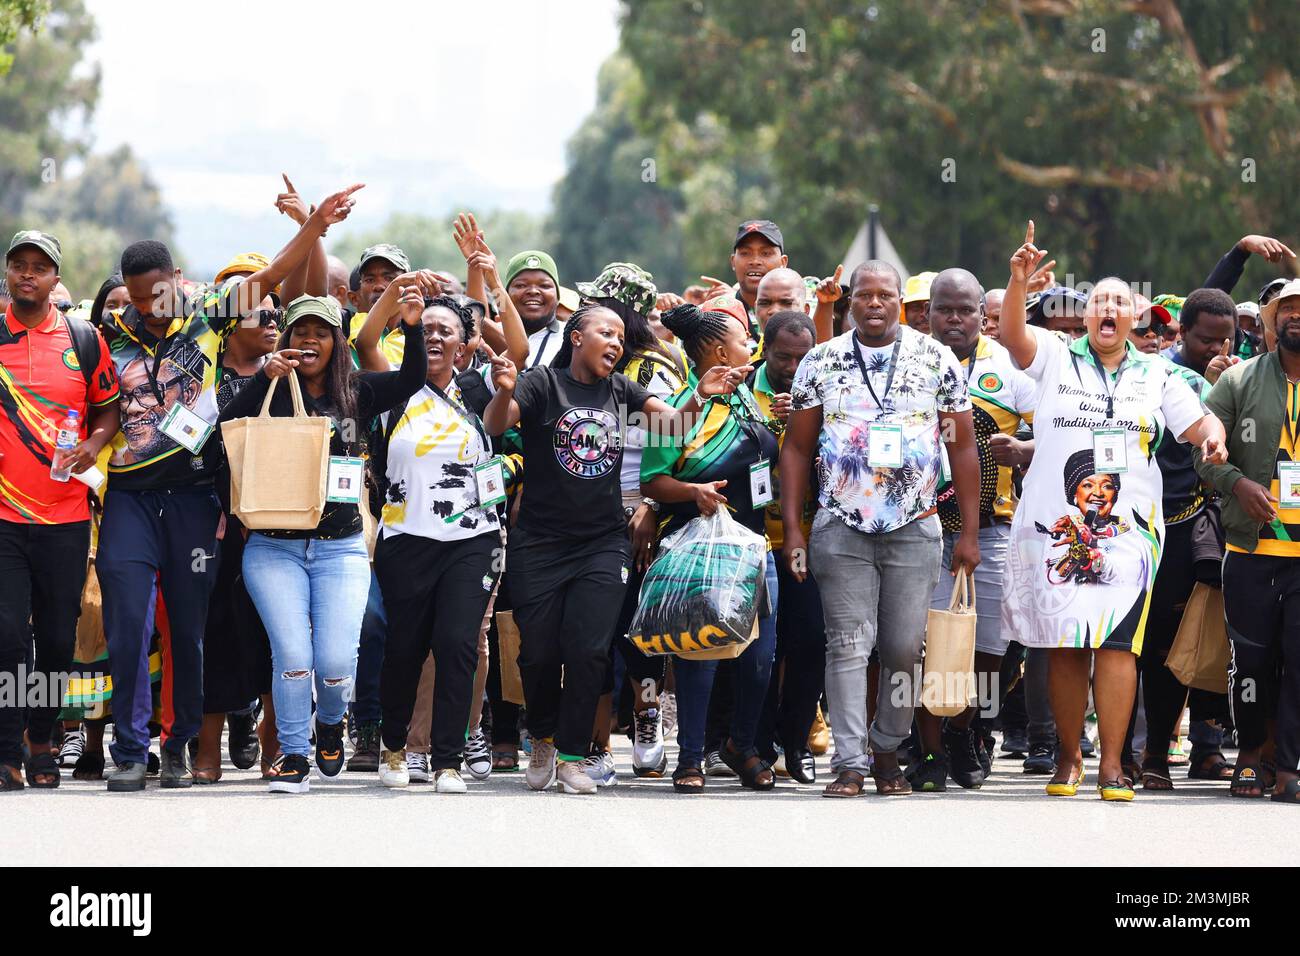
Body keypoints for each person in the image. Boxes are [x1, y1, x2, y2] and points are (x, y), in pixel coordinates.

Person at [98, 185, 359, 793]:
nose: (149, 308)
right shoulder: (108, 331)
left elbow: (274, 272)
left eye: (156, 295)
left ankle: (180, 743)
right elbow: (97, 404)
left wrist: (315, 223)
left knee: (190, 627)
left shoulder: (206, 312)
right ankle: (131, 748)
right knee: (130, 618)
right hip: (131, 496)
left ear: (177, 280)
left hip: (193, 498)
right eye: (138, 299)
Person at [998, 221, 1227, 802]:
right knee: (1071, 643)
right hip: (1060, 529)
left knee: (1118, 644)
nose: (1107, 310)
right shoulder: (1053, 356)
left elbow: (1200, 422)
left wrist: (1215, 437)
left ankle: (1113, 766)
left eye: (1118, 303)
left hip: (1129, 532)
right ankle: (1071, 760)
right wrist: (1018, 282)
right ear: (1086, 314)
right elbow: (1013, 335)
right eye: (1098, 300)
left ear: (1136, 317)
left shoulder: (1159, 374)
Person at [483, 305, 749, 794]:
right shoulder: (543, 383)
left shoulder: (621, 391)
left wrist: (699, 396)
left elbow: (671, 427)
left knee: (589, 651)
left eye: (622, 337)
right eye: (606, 332)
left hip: (604, 542)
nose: (616, 342)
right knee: (538, 653)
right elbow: (498, 425)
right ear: (577, 336)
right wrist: (503, 391)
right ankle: (540, 736)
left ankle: (571, 755)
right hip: (540, 543)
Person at [780, 259, 983, 798]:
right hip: (840, 525)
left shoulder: (935, 358)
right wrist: (796, 530)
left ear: (900, 301)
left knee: (900, 649)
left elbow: (962, 447)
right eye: (863, 295)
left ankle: (888, 746)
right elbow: (797, 448)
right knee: (847, 644)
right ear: (849, 301)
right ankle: (850, 763)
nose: (874, 304)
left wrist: (969, 532)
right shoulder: (820, 362)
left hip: (914, 525)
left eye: (884, 295)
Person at [219, 291, 426, 794]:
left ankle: (330, 722)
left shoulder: (358, 391)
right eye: (299, 331)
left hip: (340, 548)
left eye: (321, 332)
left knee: (335, 663)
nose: (309, 340)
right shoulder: (269, 389)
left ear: (337, 341)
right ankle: (293, 754)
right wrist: (262, 379)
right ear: (286, 338)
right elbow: (225, 433)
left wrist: (414, 328)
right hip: (273, 547)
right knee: (292, 656)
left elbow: (412, 379)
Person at [641, 302, 782, 793]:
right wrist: (693, 493)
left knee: (759, 658)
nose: (753, 347)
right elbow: (652, 482)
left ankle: (742, 745)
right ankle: (690, 757)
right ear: (721, 351)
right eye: (746, 340)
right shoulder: (674, 408)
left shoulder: (751, 401)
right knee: (698, 656)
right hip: (695, 550)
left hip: (754, 550)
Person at [0, 231, 119, 792]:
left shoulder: (83, 338)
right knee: (5, 636)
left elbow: (108, 410)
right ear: (7, 274)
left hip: (66, 517)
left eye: (39, 267)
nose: (28, 274)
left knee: (55, 637)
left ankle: (40, 735)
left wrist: (93, 447)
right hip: (4, 520)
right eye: (18, 265)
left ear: (54, 278)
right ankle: (9, 748)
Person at [909, 269, 1036, 793]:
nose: (955, 319)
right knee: (931, 644)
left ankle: (967, 730)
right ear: (928, 313)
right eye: (945, 309)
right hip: (921, 528)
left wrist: (1027, 449)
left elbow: (1053, 425)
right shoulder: (908, 360)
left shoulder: (1008, 367)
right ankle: (931, 750)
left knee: (991, 646)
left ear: (982, 315)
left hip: (991, 529)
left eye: (966, 310)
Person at [374, 294, 500, 793]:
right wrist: (396, 303)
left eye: (446, 329)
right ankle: (394, 746)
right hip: (406, 537)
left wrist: (486, 276)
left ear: (465, 343)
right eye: (425, 328)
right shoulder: (394, 389)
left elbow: (515, 349)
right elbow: (365, 342)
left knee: (458, 643)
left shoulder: (479, 388)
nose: (434, 336)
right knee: (405, 648)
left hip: (473, 537)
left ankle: (448, 760)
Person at [575, 262, 689, 783]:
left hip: (640, 518)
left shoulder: (653, 370)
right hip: (593, 518)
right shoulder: (583, 358)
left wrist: (652, 505)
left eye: (600, 304)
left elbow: (675, 444)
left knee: (638, 633)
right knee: (602, 631)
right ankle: (594, 738)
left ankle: (646, 721)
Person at [1194, 277, 1300, 803]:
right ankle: (1251, 755)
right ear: (1270, 321)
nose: (1296, 316)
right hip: (1251, 549)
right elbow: (1203, 454)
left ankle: (1289, 763)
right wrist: (1236, 480)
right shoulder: (1237, 380)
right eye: (1288, 309)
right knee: (1252, 662)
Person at [749, 309, 822, 783]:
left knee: (810, 643)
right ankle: (755, 744)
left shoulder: (828, 389)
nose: (793, 368)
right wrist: (770, 429)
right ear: (764, 349)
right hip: (753, 542)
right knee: (758, 651)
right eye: (782, 357)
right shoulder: (740, 393)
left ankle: (796, 742)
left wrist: (805, 426)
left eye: (803, 357)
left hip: (812, 541)